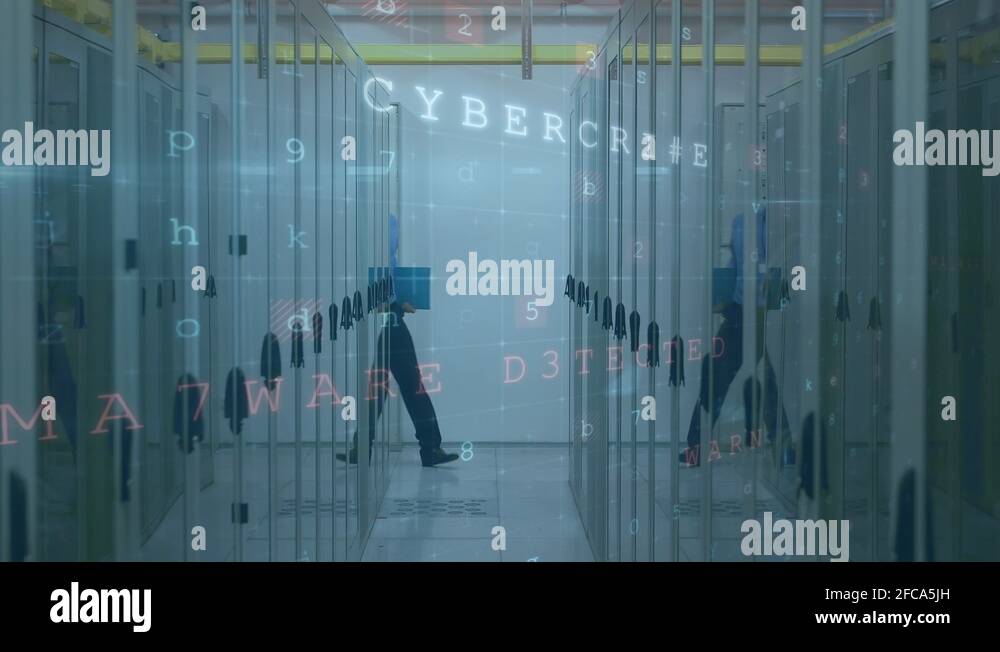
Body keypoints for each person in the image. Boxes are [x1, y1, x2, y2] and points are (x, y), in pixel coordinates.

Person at [338, 215, 459, 468]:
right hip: (394, 324)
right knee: (406, 388)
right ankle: (429, 447)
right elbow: (384, 294)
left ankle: (421, 447)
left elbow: (385, 293)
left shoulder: (384, 251)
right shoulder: (385, 251)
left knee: (390, 388)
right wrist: (396, 304)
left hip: (393, 325)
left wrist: (395, 304)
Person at [681, 207, 791, 466]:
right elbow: (737, 266)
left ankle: (696, 446)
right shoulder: (743, 223)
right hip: (743, 311)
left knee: (727, 378)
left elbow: (773, 268)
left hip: (755, 312)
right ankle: (782, 444)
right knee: (749, 377)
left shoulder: (769, 224)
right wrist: (724, 296)